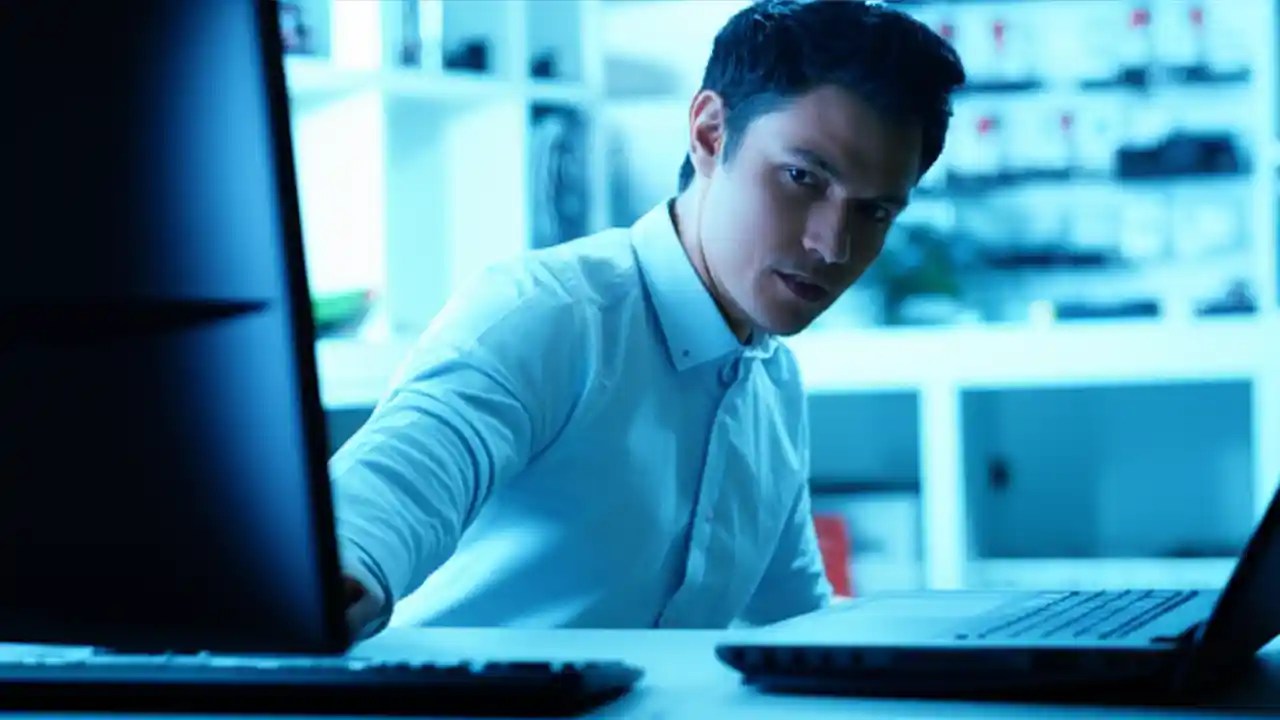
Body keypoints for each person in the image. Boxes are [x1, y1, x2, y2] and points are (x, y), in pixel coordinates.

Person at [334, 0, 965, 639]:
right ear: (711, 132)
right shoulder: (549, 314)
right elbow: (391, 490)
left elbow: (796, 622)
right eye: (802, 178)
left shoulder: (772, 383)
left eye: (875, 213)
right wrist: (340, 573)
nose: (834, 245)